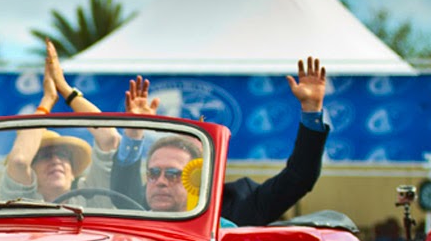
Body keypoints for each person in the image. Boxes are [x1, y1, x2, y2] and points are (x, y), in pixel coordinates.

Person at [111, 57, 330, 225]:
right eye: (153, 173)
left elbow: (299, 177)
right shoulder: (140, 207)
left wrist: (311, 111)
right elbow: (122, 189)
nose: (160, 181)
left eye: (173, 174)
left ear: (202, 172)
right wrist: (134, 131)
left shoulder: (238, 204)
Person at [0, 42, 119, 201]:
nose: (56, 161)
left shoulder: (92, 201)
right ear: (30, 173)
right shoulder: (21, 204)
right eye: (44, 156)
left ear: (73, 173)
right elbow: (19, 161)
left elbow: (109, 138)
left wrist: (65, 88)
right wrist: (48, 99)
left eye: (63, 155)